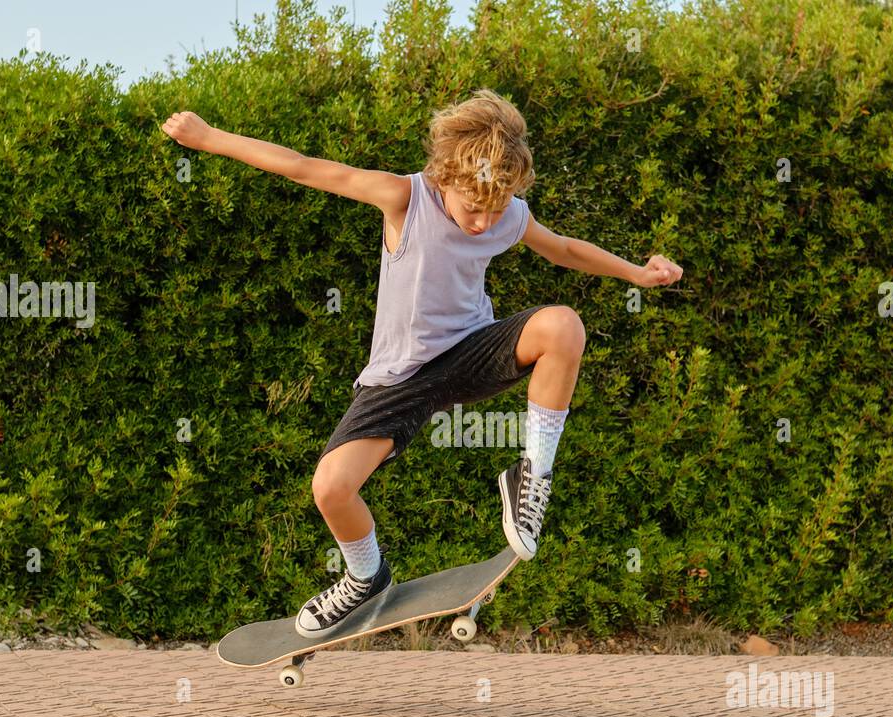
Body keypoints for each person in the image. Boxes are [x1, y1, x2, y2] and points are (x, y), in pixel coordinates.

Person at [162, 89, 683, 639]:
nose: (483, 223)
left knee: (563, 326)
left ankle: (531, 475)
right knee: (331, 488)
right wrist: (206, 138)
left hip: (469, 352)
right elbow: (305, 168)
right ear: (445, 179)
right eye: (471, 208)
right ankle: (365, 577)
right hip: (400, 377)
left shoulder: (506, 213)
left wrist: (636, 273)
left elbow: (564, 250)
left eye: (495, 209)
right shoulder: (405, 198)